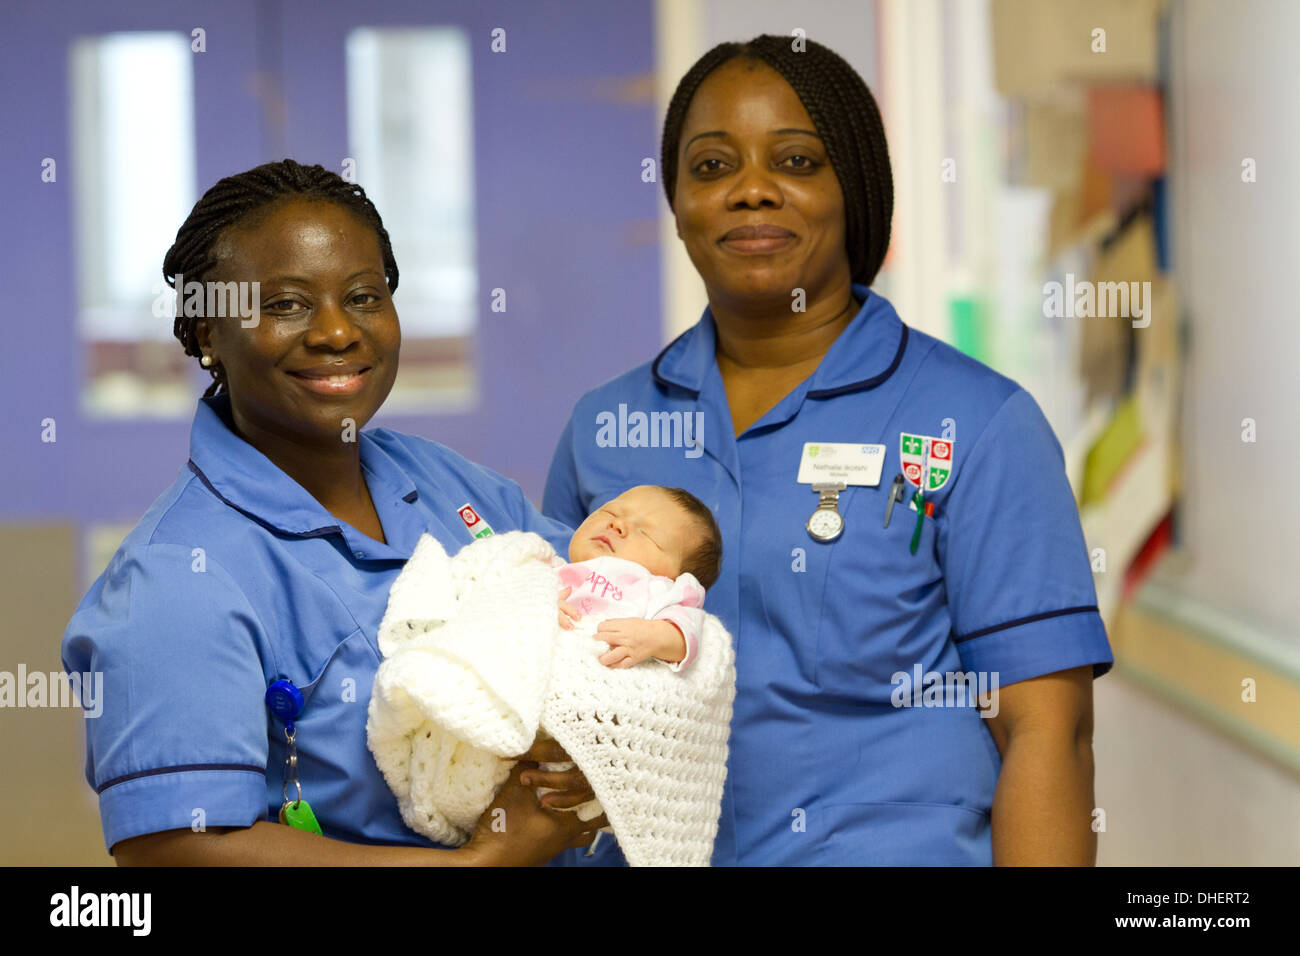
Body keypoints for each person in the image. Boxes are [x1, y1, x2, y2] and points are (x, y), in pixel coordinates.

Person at [543, 35, 1114, 866]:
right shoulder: (608, 427)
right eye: (711, 167)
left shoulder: (975, 423)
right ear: (677, 203)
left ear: (856, 190)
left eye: (798, 161)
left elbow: (1047, 734)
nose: (750, 192)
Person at [60, 160, 604, 865]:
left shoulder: (451, 486)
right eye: (285, 304)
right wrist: (480, 865)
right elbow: (176, 848)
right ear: (204, 334)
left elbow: (603, 611)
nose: (337, 332)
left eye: (364, 296)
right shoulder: (176, 580)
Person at [555, 484, 722, 670]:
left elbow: (686, 634)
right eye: (611, 512)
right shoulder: (551, 567)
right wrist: (545, 602)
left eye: (646, 533)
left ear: (675, 578)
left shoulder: (661, 593)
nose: (617, 524)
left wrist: (653, 637)